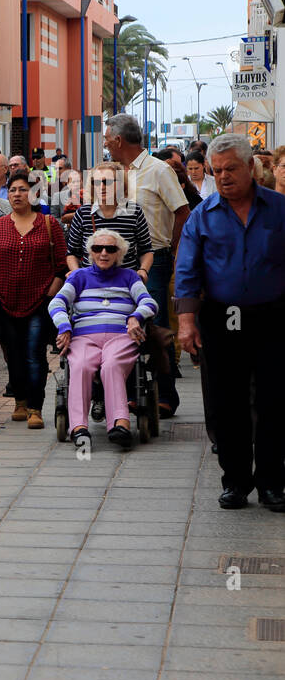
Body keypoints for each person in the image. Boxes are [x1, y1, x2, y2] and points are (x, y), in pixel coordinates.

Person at [175, 133, 285, 511]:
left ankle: (272, 484)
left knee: (274, 400)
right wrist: (186, 323)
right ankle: (235, 482)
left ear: (251, 167)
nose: (223, 177)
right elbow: (187, 271)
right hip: (224, 317)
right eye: (216, 170)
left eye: (231, 169)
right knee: (229, 401)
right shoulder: (202, 217)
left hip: (272, 315)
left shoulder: (279, 209)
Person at [103, 114, 188, 417]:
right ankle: (127, 394)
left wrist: (174, 249)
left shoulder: (158, 170)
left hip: (155, 259)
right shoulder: (112, 172)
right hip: (117, 261)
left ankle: (166, 395)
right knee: (118, 324)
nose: (105, 143)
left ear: (119, 140)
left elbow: (182, 212)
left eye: (107, 138)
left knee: (155, 324)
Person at [51, 227, 159, 451]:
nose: (103, 253)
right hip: (84, 336)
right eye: (97, 248)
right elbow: (57, 303)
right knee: (79, 365)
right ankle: (79, 428)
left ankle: (120, 424)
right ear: (89, 252)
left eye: (110, 249)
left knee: (112, 365)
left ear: (119, 253)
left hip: (121, 335)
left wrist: (135, 317)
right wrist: (64, 326)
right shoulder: (79, 276)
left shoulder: (130, 276)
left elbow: (149, 303)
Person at [0, 169, 67, 429]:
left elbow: (61, 266)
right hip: (5, 303)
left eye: (23, 189)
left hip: (39, 302)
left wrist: (49, 294)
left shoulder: (49, 225)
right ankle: (19, 401)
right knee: (13, 355)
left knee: (34, 354)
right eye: (13, 190)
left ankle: (36, 407)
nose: (18, 195)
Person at [65, 163, 153, 276]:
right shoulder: (83, 213)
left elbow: (146, 249)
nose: (101, 187)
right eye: (96, 182)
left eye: (108, 182)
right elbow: (72, 253)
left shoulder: (134, 212)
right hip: (92, 283)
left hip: (125, 283)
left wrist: (143, 270)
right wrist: (77, 273)